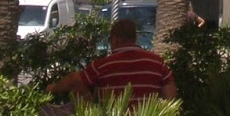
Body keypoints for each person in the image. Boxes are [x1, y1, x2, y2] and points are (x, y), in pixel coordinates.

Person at [48, 17, 176, 105]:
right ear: (135, 38)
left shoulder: (103, 66)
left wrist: (52, 89)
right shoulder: (157, 63)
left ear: (115, 39)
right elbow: (170, 98)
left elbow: (73, 80)